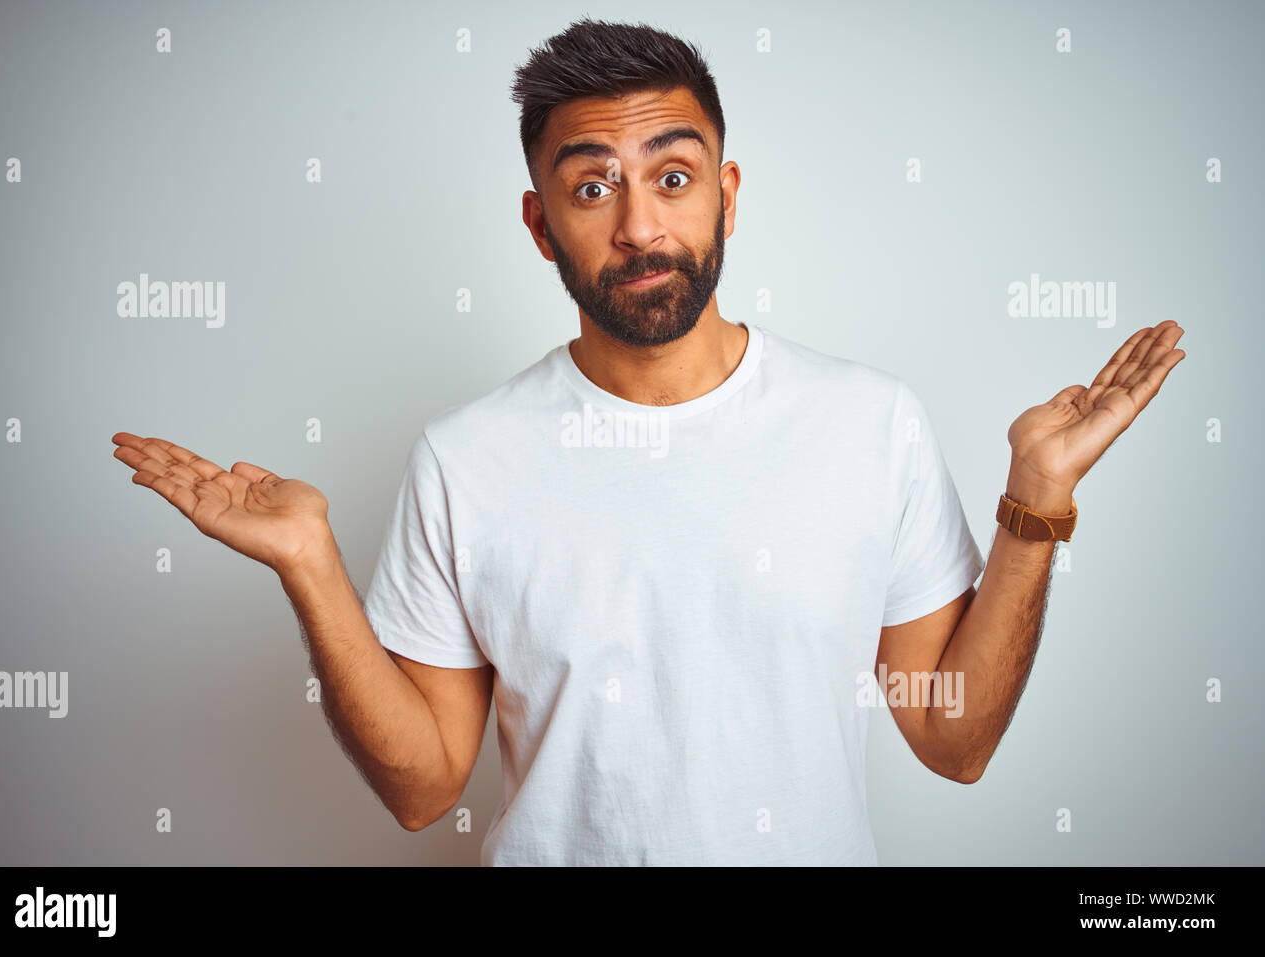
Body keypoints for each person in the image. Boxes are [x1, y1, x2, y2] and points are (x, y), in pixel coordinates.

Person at [110, 18, 1186, 865]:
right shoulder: (465, 458)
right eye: (591, 187)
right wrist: (311, 568)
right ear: (540, 226)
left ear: (724, 196)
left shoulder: (868, 423)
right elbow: (423, 787)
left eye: (672, 178)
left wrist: (1036, 501)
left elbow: (951, 741)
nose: (638, 227)